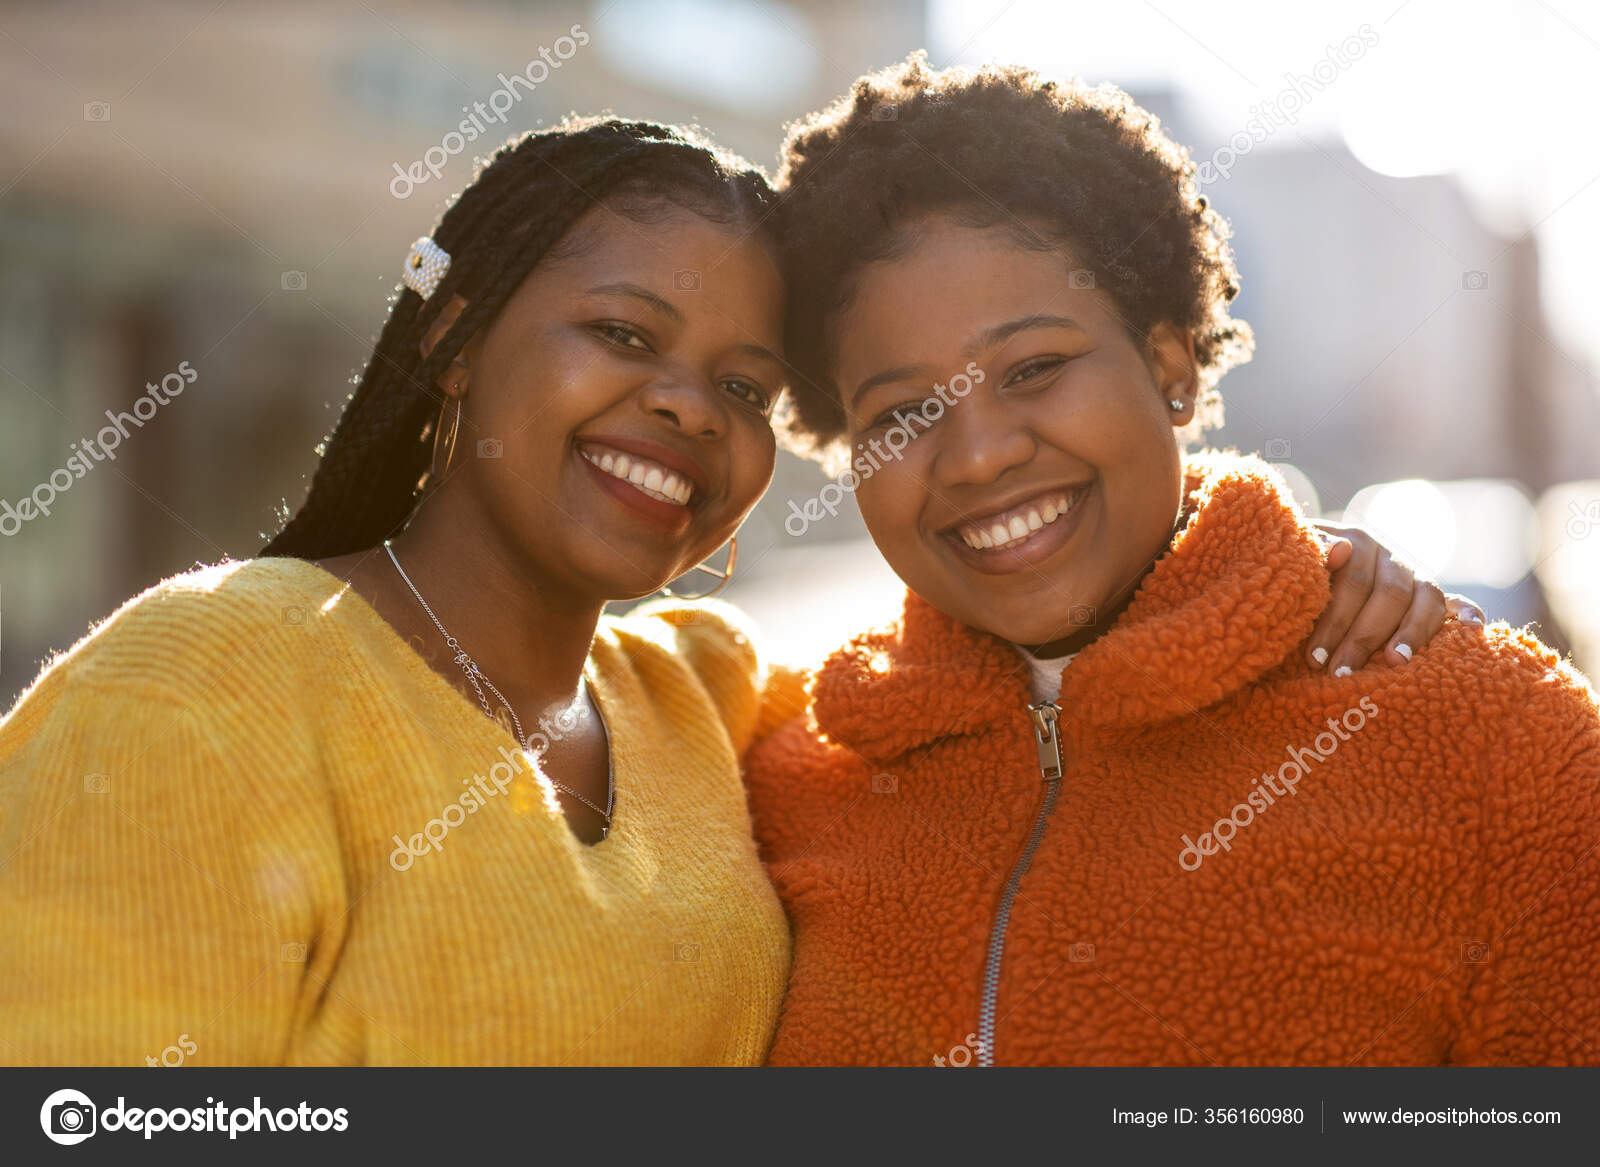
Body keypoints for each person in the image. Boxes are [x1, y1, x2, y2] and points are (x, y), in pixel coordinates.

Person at [0, 110, 1465, 1068]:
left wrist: (1290, 576)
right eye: (623, 334)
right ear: (453, 339)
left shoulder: (709, 698)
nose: (686, 408)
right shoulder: (195, 691)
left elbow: (1021, 674)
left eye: (745, 385)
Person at [745, 55, 1600, 1066]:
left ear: (1168, 366)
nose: (977, 454)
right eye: (901, 415)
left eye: (1036, 368)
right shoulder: (777, 783)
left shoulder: (1507, 755)